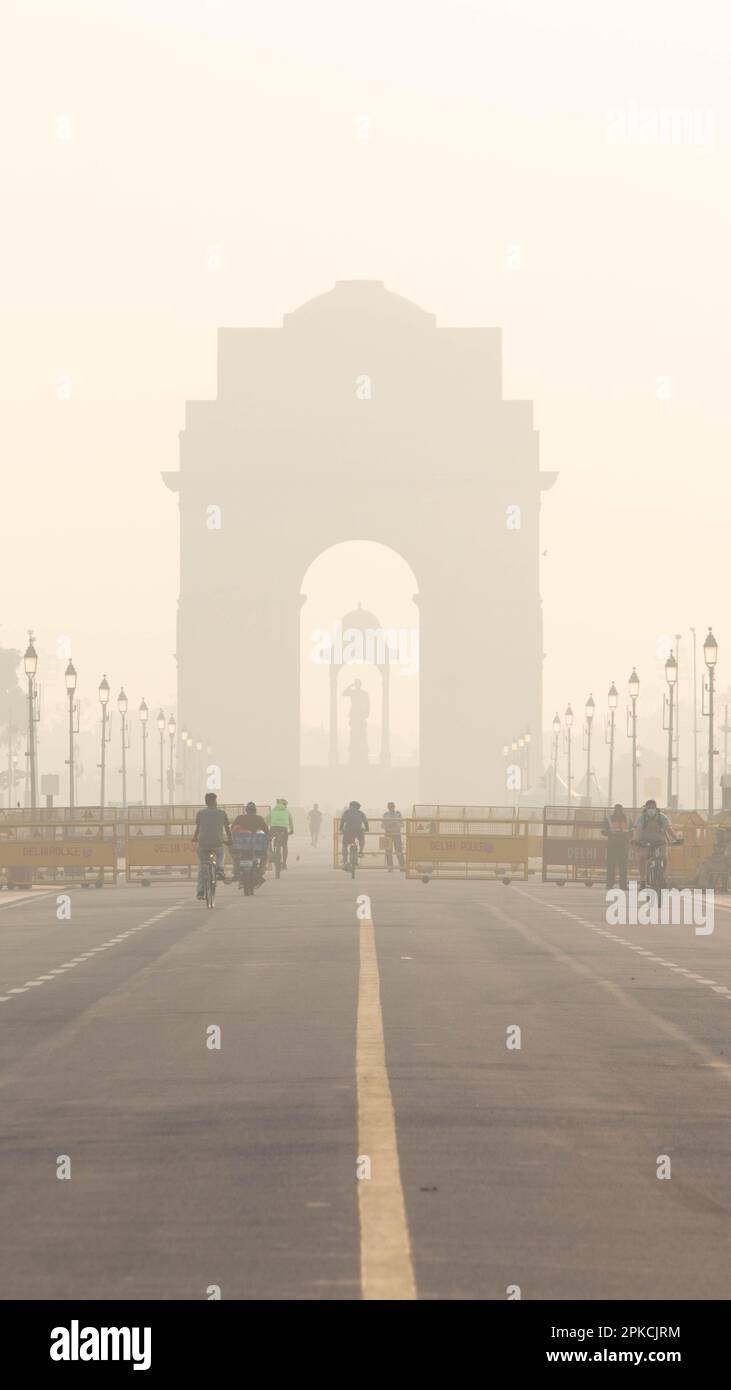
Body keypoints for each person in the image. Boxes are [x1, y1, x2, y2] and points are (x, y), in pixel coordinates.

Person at [632, 799, 682, 888]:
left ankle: (662, 876)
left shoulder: (662, 817)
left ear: (656, 808)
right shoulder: (641, 818)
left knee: (664, 858)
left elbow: (669, 829)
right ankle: (643, 880)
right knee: (642, 858)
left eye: (652, 807)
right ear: (646, 809)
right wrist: (635, 840)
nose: (651, 809)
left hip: (660, 842)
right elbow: (638, 830)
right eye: (649, 808)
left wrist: (677, 839)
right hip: (645, 842)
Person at [192, 792, 232, 900]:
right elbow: (228, 829)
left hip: (203, 844)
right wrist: (230, 840)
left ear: (206, 802)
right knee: (221, 853)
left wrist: (195, 838)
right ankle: (219, 868)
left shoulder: (200, 813)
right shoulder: (222, 813)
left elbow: (198, 828)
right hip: (217, 843)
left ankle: (200, 892)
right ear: (215, 801)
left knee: (202, 866)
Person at [231, 802, 270, 882]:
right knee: (265, 856)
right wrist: (268, 838)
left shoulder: (240, 818)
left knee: (236, 857)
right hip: (256, 847)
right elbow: (266, 831)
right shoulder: (259, 818)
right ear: (255, 810)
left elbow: (232, 829)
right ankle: (260, 872)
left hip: (241, 846)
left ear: (246, 810)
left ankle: (236, 872)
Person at [602, 803, 629, 891]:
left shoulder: (627, 819)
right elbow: (603, 831)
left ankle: (622, 885)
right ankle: (610, 884)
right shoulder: (609, 819)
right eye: (617, 810)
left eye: (619, 810)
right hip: (613, 845)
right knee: (611, 866)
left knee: (623, 867)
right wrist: (611, 833)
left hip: (622, 845)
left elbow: (631, 832)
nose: (618, 811)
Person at [340, 800, 369, 868]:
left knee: (345, 845)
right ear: (358, 807)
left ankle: (345, 860)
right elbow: (365, 822)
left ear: (350, 806)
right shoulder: (361, 813)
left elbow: (342, 821)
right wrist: (367, 829)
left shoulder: (346, 812)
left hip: (348, 831)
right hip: (358, 831)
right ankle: (361, 851)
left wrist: (341, 829)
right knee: (362, 839)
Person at [267, 798, 294, 867]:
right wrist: (291, 830)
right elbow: (290, 822)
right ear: (284, 804)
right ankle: (284, 863)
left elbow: (267, 819)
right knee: (284, 845)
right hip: (283, 829)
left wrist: (268, 825)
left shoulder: (273, 810)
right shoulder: (287, 811)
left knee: (268, 840)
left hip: (273, 828)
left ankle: (271, 853)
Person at [382, 801, 405, 871]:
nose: (391, 808)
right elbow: (382, 825)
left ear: (394, 807)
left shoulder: (398, 814)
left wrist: (396, 823)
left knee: (399, 850)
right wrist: (388, 824)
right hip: (388, 834)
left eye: (392, 806)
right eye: (389, 807)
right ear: (388, 807)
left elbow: (402, 824)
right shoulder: (385, 814)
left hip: (397, 834)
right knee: (388, 851)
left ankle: (402, 866)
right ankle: (390, 867)